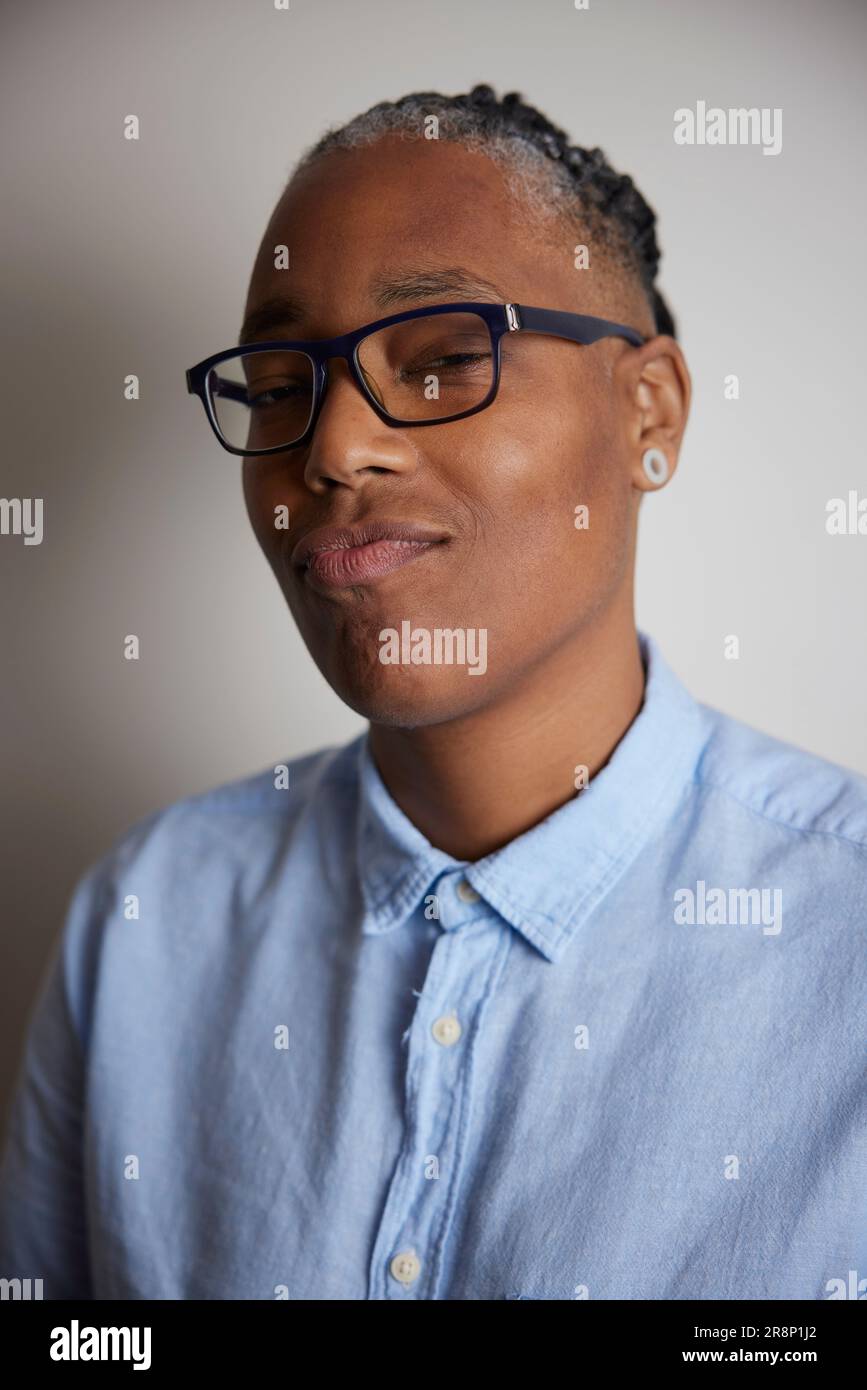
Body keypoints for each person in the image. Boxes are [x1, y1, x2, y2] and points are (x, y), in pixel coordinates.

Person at [1, 84, 864, 1301]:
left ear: (647, 412)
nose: (336, 447)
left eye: (448, 357)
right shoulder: (147, 925)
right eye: (282, 382)